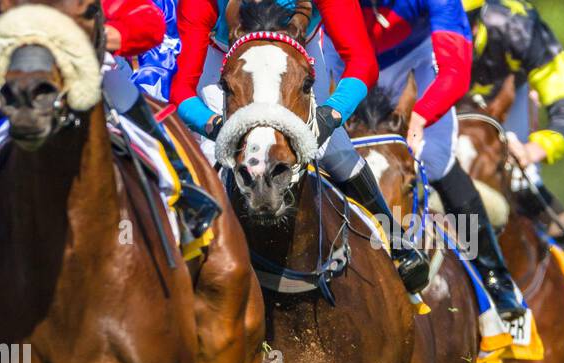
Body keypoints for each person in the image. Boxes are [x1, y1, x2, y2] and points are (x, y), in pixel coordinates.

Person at [0, 0, 222, 262]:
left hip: (62, 47)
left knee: (117, 83)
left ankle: (182, 191)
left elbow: (146, 21)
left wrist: (105, 35)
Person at [168, 0, 432, 294]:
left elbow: (362, 62)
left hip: (295, 57)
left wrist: (332, 114)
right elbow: (181, 88)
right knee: (208, 154)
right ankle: (183, 263)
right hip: (226, 62)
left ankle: (397, 244)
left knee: (335, 151)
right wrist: (215, 126)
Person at [338, 0, 524, 319]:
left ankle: (496, 279)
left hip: (416, 61)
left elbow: (456, 71)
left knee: (435, 159)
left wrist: (422, 116)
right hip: (348, 60)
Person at [464, 0, 564, 325]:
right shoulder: (412, 19)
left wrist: (534, 149)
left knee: (521, 181)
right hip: (439, 100)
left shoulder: (518, 26)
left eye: (462, 21)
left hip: (504, 96)